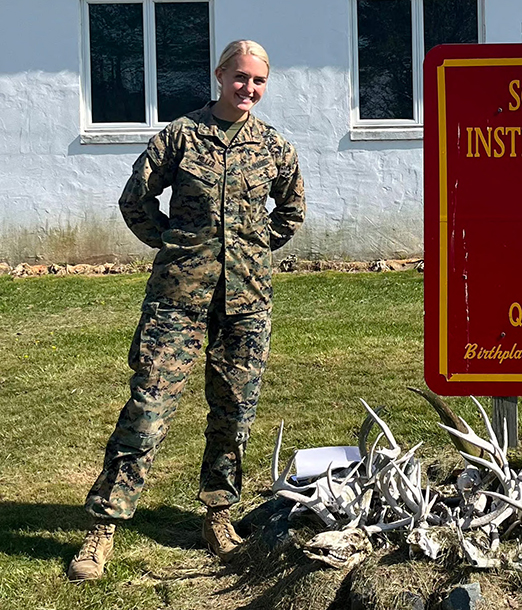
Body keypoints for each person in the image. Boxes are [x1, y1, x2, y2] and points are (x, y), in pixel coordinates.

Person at [67, 40, 305, 581]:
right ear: (220, 75)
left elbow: (291, 211)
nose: (249, 89)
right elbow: (136, 200)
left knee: (234, 413)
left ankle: (218, 514)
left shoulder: (274, 147)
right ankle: (104, 525)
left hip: (246, 300)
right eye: (240, 77)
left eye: (259, 81)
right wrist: (175, 244)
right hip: (178, 298)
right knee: (148, 410)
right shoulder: (179, 136)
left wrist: (252, 247)